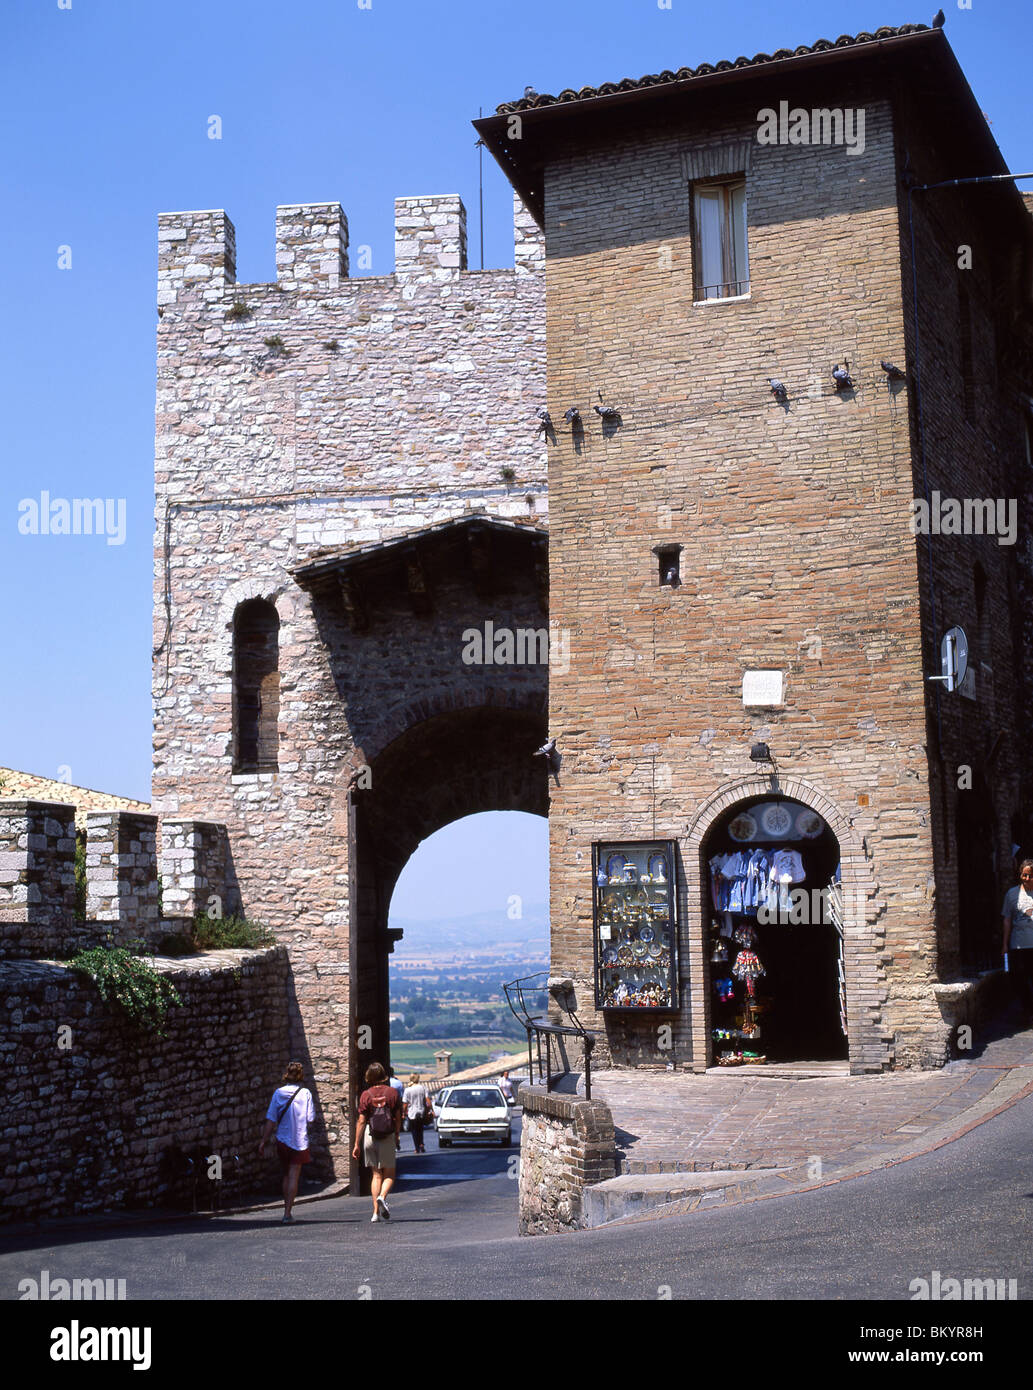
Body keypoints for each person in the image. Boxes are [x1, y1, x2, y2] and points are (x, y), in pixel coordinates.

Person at [259, 1061, 316, 1225]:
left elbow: (271, 1119)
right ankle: (287, 1213)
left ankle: (286, 1209)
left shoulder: (278, 1093)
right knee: (293, 1176)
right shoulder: (305, 1093)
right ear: (300, 1076)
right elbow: (310, 1119)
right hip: (299, 1141)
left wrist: (263, 1141)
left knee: (285, 1174)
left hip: (282, 1140)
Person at [353, 1062, 401, 1223]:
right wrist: (397, 1135)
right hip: (387, 1136)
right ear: (383, 1075)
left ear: (369, 1077)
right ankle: (382, 1197)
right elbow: (398, 1117)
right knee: (389, 1174)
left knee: (376, 1174)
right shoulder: (393, 1093)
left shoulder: (365, 1095)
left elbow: (361, 1121)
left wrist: (356, 1144)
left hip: (369, 1135)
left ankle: (375, 1213)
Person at [1002, 859, 1033, 1020]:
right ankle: (1027, 1009)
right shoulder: (1012, 894)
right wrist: (1005, 944)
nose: (1027, 879)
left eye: (1030, 876)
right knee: (1019, 980)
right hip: (1018, 945)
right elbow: (1007, 919)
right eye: (1024, 875)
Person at [402, 1073, 431, 1153]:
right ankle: (421, 1143)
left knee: (414, 1130)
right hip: (421, 1111)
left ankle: (416, 1147)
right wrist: (430, 1110)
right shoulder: (423, 1087)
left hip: (412, 1112)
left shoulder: (407, 1090)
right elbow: (427, 1100)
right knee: (420, 1129)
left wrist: (403, 1113)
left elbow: (405, 1104)